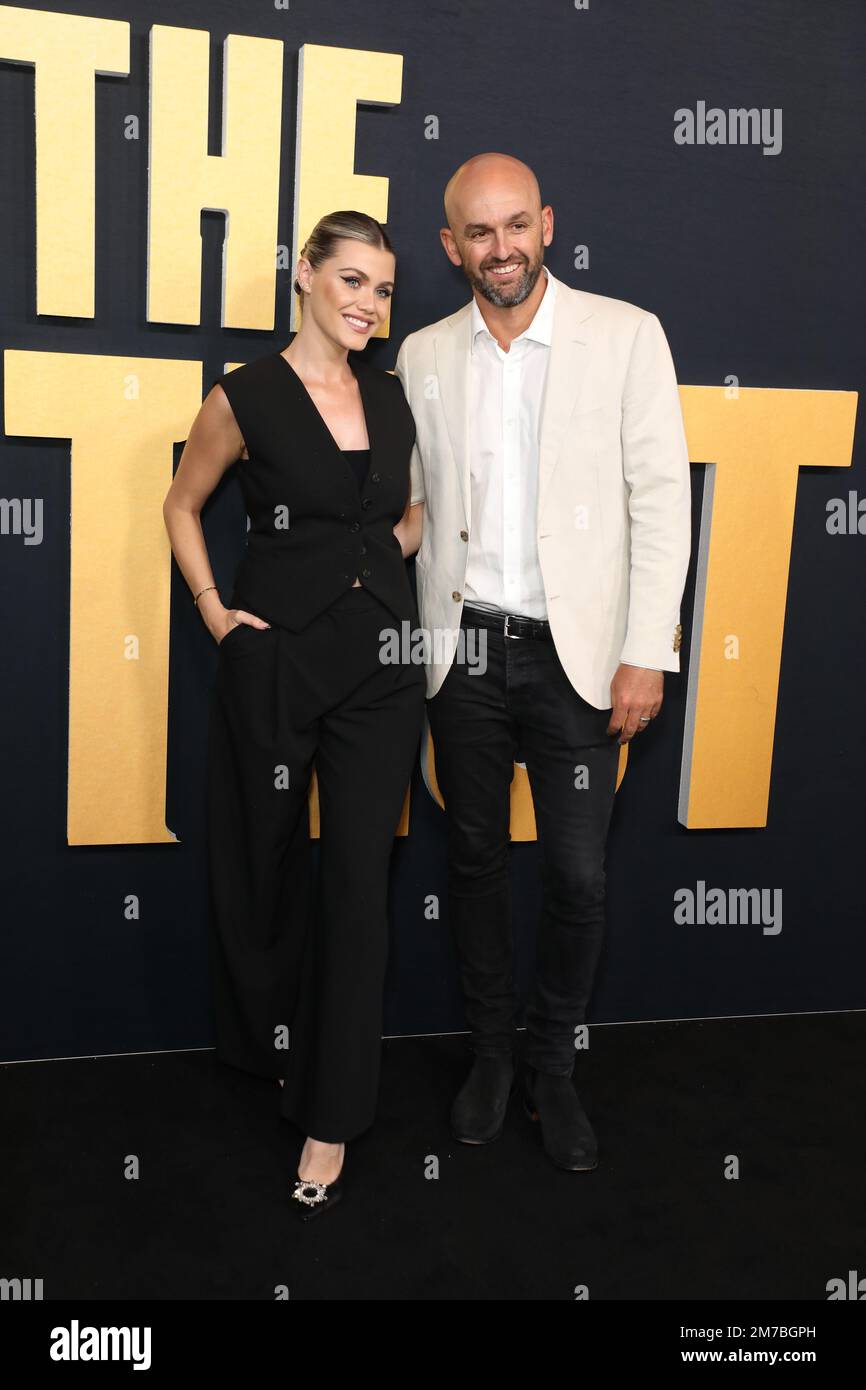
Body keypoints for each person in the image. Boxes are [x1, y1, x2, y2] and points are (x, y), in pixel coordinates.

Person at [394, 153, 691, 1172]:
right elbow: (409, 506)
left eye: (514, 224)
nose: (499, 247)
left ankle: (552, 1064)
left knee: (577, 875)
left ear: (546, 224)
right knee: (471, 865)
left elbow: (660, 503)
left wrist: (644, 652)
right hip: (464, 651)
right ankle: (490, 1058)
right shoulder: (422, 355)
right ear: (449, 247)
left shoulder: (624, 333)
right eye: (477, 232)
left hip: (580, 660)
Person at [163, 211, 426, 1220]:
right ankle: (271, 1042)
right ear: (304, 278)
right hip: (272, 662)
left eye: (382, 288)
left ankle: (330, 1112)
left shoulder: (394, 399)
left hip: (381, 670)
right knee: (259, 864)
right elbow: (182, 503)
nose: (366, 302)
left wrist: (381, 561)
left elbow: (404, 513)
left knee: (358, 882)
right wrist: (215, 615)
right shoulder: (244, 395)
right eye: (350, 279)